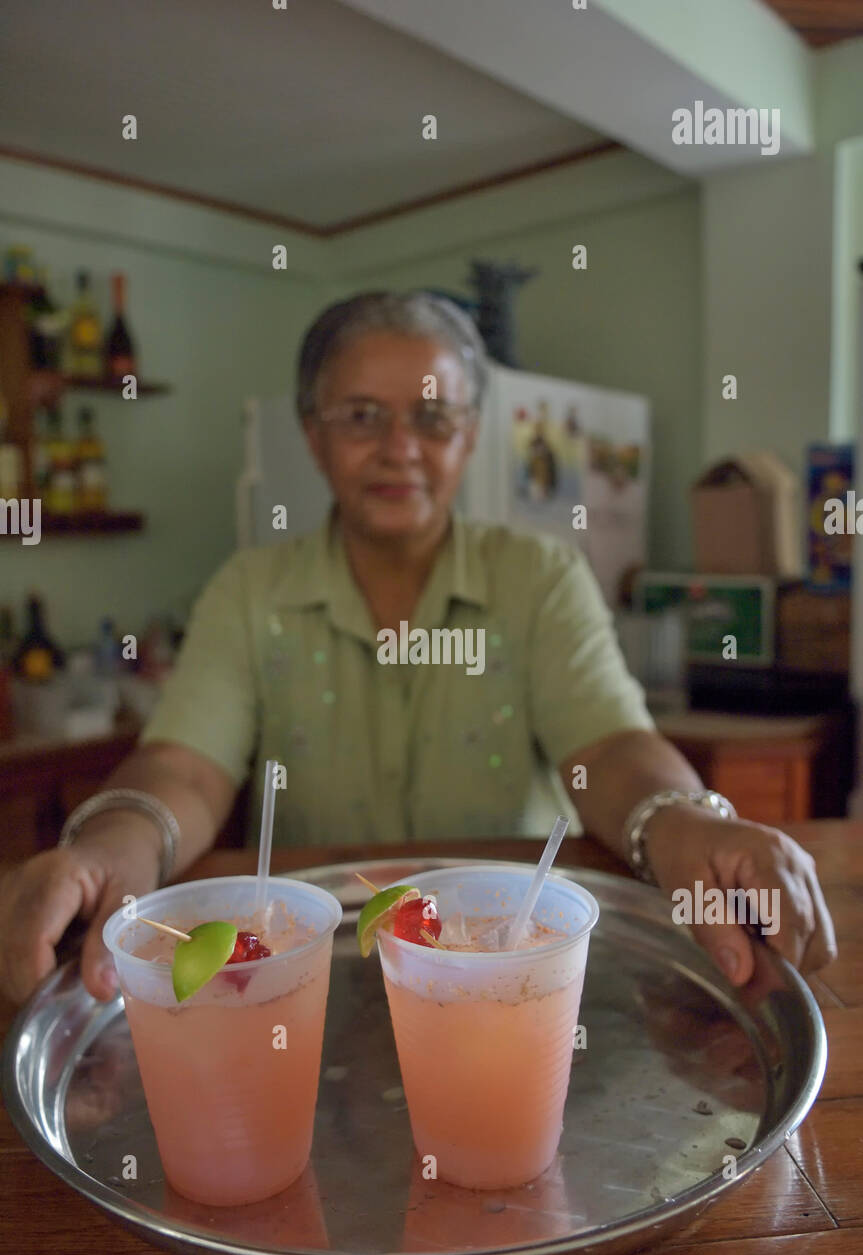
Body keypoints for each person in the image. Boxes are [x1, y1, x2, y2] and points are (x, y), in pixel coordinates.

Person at [0, 292, 836, 1006]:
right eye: (362, 416)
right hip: (308, 987)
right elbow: (184, 769)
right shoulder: (249, 591)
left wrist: (678, 822)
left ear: (468, 437)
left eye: (432, 416)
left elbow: (611, 747)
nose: (399, 446)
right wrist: (112, 845)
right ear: (312, 434)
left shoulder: (539, 577)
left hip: (505, 976)